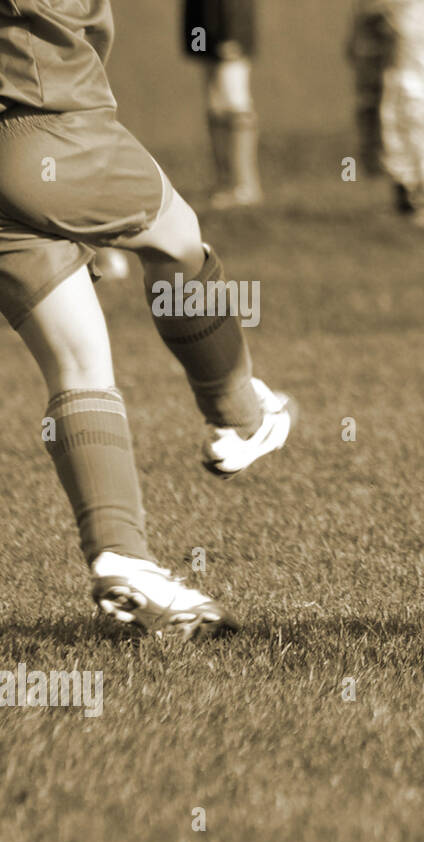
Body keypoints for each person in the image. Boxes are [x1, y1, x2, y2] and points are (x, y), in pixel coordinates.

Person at [0, 0, 295, 638]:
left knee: (77, 363)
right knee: (180, 241)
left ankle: (122, 559)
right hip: (52, 126)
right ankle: (239, 414)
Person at [349, 0, 424, 228]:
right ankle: (404, 197)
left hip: (407, 25)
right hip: (381, 23)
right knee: (388, 113)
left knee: (411, 110)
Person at [183, 0, 264, 208]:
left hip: (228, 38)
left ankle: (244, 185)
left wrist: (232, 35)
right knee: (217, 106)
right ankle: (225, 183)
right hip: (211, 37)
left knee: (235, 104)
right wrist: (198, 40)